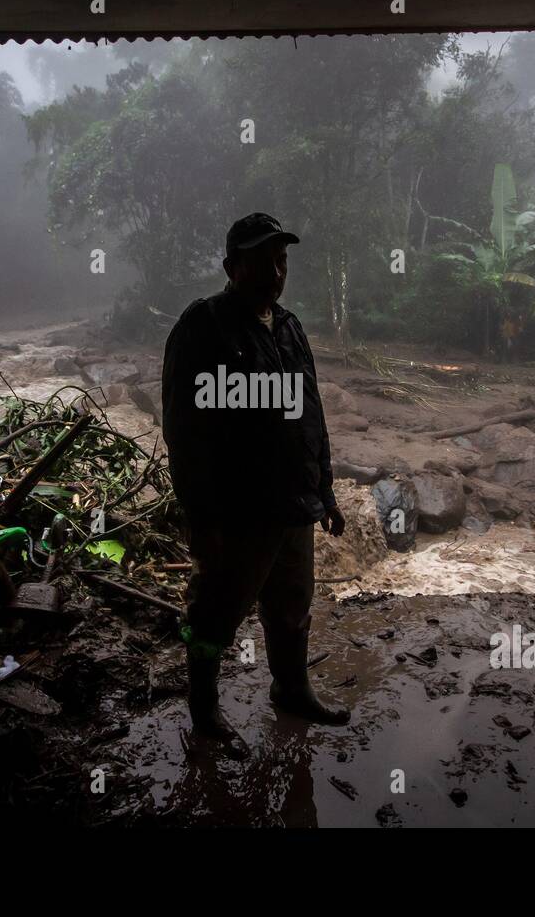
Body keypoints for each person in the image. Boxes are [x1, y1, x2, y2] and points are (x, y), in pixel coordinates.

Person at [162, 212, 351, 742]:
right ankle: (204, 714)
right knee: (216, 614)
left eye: (282, 259)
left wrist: (327, 490)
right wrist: (203, 518)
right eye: (262, 260)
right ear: (231, 267)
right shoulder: (204, 326)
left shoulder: (289, 328)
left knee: (291, 608)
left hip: (295, 505)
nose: (276, 271)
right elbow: (184, 432)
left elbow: (311, 415)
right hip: (238, 511)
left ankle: (292, 690)